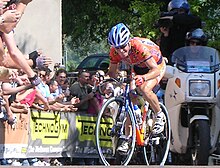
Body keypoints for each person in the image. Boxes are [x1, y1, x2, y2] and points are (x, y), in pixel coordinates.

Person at [107, 23, 166, 152]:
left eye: (123, 47)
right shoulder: (114, 52)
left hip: (156, 65)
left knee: (144, 88)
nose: (121, 52)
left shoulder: (138, 47)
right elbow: (112, 73)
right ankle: (127, 138)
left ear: (128, 42)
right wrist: (117, 81)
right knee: (130, 99)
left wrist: (144, 78)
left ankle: (159, 115)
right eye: (117, 49)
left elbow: (155, 70)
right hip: (137, 66)